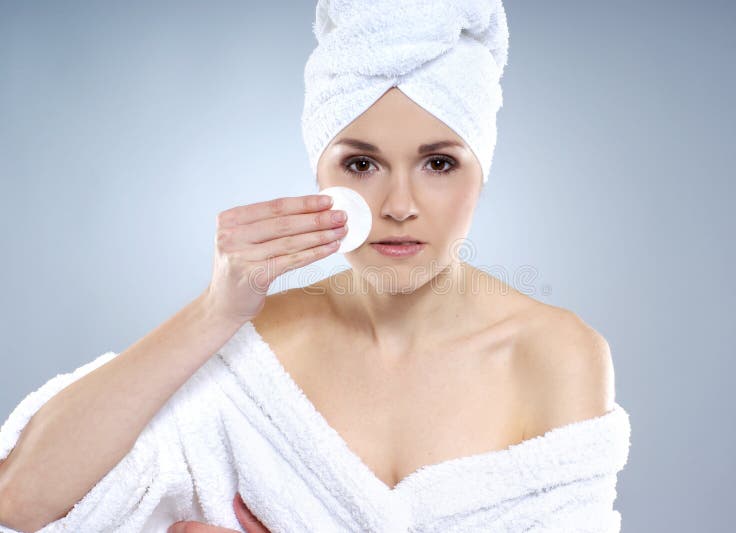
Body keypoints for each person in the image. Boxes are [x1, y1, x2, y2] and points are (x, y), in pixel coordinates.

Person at [0, 1, 631, 531]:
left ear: (481, 172)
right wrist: (214, 310)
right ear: (319, 171)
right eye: (361, 164)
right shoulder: (253, 353)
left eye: (439, 163)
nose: (400, 206)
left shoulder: (556, 355)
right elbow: (23, 499)